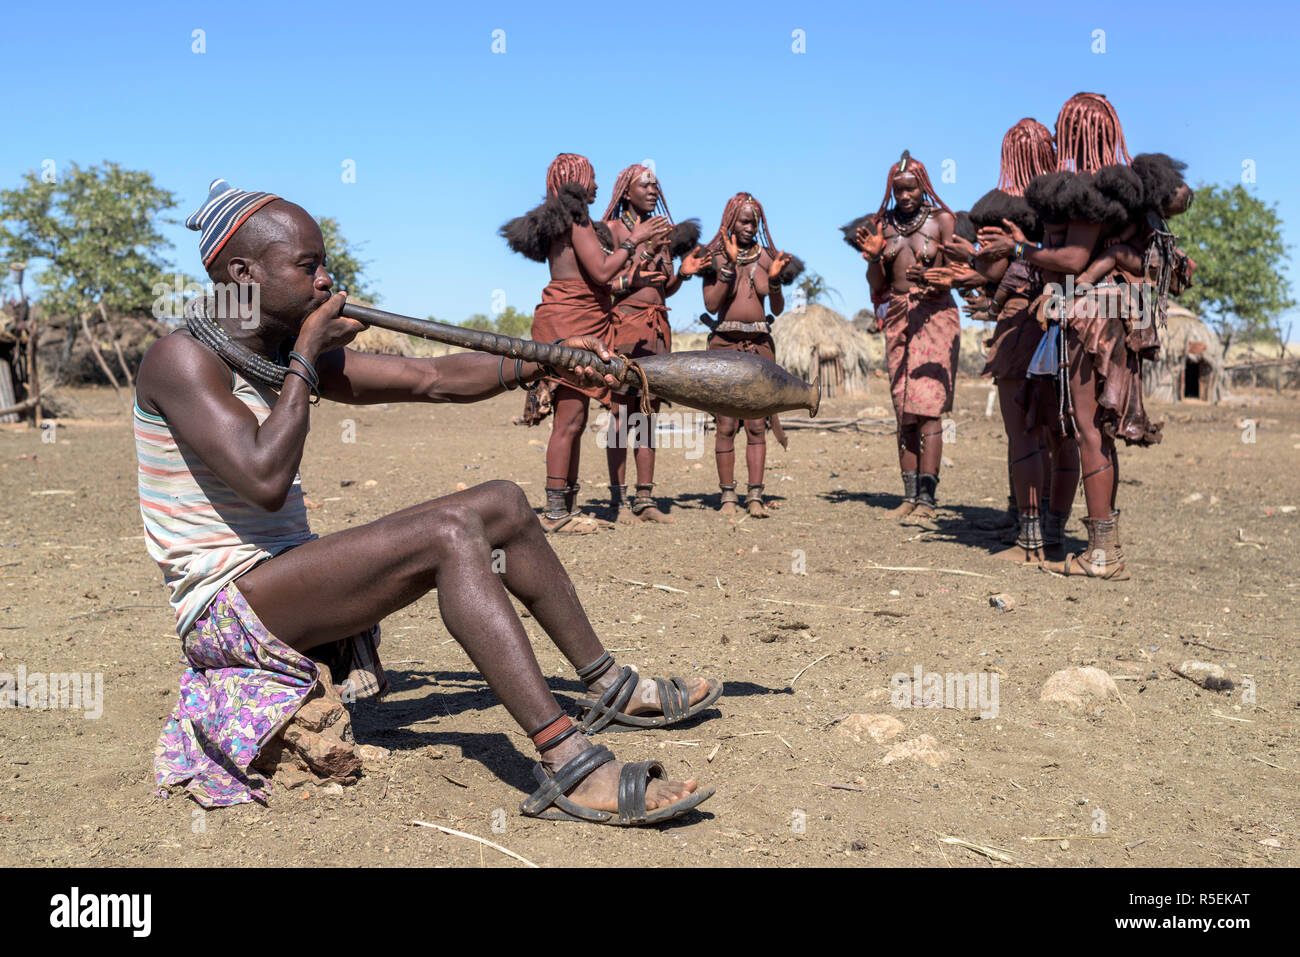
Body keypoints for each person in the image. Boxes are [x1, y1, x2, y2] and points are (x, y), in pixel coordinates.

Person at [137, 178, 721, 826]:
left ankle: (608, 684)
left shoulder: (280, 358)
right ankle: (567, 762)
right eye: (309, 267)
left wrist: (543, 363)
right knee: (450, 533)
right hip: (228, 610)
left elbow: (432, 378)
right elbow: (264, 476)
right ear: (244, 273)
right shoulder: (181, 360)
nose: (328, 281)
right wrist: (309, 350)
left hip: (285, 579)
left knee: (499, 502)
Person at [979, 95, 1194, 578]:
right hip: (1115, 317)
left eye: (1065, 127)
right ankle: (1101, 549)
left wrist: (1020, 248)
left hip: (1092, 318)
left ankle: (1103, 555)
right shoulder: (1133, 188)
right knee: (1092, 429)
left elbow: (1074, 261)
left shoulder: (1093, 193)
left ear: (1076, 130)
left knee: (1089, 430)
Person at [502, 153, 670, 533]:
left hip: (570, 317)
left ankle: (566, 507)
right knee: (571, 418)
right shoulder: (576, 221)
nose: (596, 186)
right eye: (592, 178)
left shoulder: (565, 221)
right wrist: (636, 241)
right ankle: (557, 514)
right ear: (577, 181)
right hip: (571, 320)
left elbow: (604, 282)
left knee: (572, 419)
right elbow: (602, 272)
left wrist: (638, 251)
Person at [852, 152, 961, 528]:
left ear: (924, 185)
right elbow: (878, 285)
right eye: (898, 191)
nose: (905, 196)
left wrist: (935, 278)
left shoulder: (943, 221)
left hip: (935, 314)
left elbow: (960, 270)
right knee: (904, 408)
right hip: (898, 314)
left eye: (911, 188)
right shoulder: (884, 226)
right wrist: (872, 258)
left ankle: (928, 500)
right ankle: (909, 495)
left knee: (928, 404)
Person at [597, 164, 707, 523]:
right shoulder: (611, 231)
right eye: (645, 185)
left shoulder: (661, 230)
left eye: (656, 185)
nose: (653, 190)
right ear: (625, 192)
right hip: (625, 327)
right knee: (620, 414)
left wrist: (684, 275)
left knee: (647, 413)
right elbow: (603, 284)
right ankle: (616, 502)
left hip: (658, 329)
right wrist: (641, 256)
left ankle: (644, 501)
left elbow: (661, 286)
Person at [699, 192, 799, 517]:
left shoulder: (768, 257)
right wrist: (728, 264)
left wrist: (774, 282)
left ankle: (754, 496)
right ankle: (727, 496)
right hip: (725, 347)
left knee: (757, 424)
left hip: (759, 348)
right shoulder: (713, 255)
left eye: (754, 221)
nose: (749, 226)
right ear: (730, 220)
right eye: (744, 220)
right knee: (726, 424)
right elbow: (712, 305)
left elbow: (778, 309)